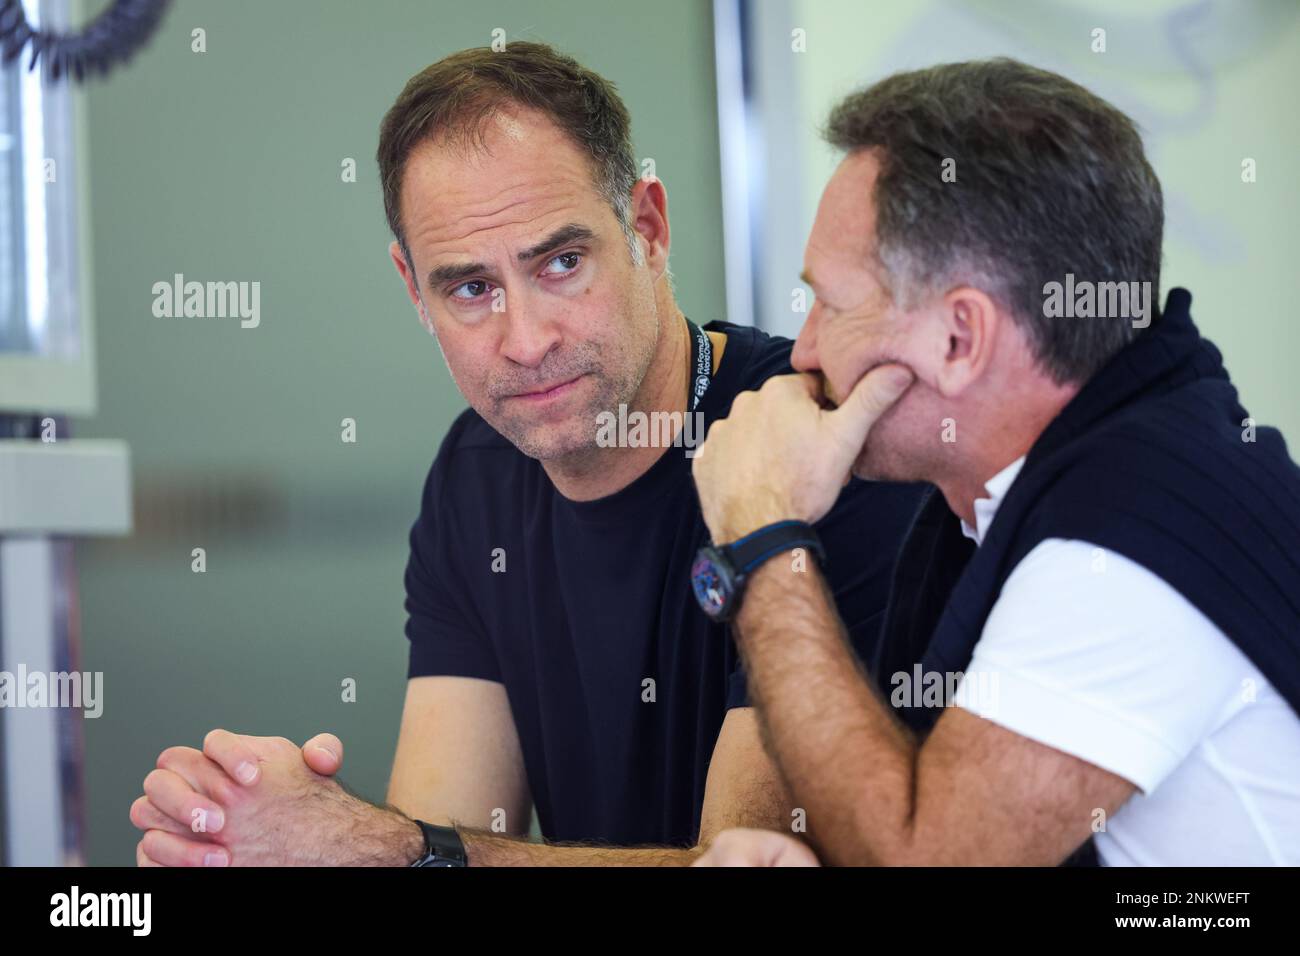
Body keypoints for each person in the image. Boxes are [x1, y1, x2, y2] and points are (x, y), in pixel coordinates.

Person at [129, 42, 922, 867]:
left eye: (563, 263)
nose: (526, 340)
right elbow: (444, 834)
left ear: (646, 228)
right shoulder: (476, 473)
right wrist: (260, 834)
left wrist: (371, 847)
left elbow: (746, 863)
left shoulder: (819, 446)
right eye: (471, 289)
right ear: (413, 288)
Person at [690, 58, 1300, 867]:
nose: (801, 350)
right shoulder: (1034, 490)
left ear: (959, 339)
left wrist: (763, 539)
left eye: (830, 305)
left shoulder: (1122, 541)